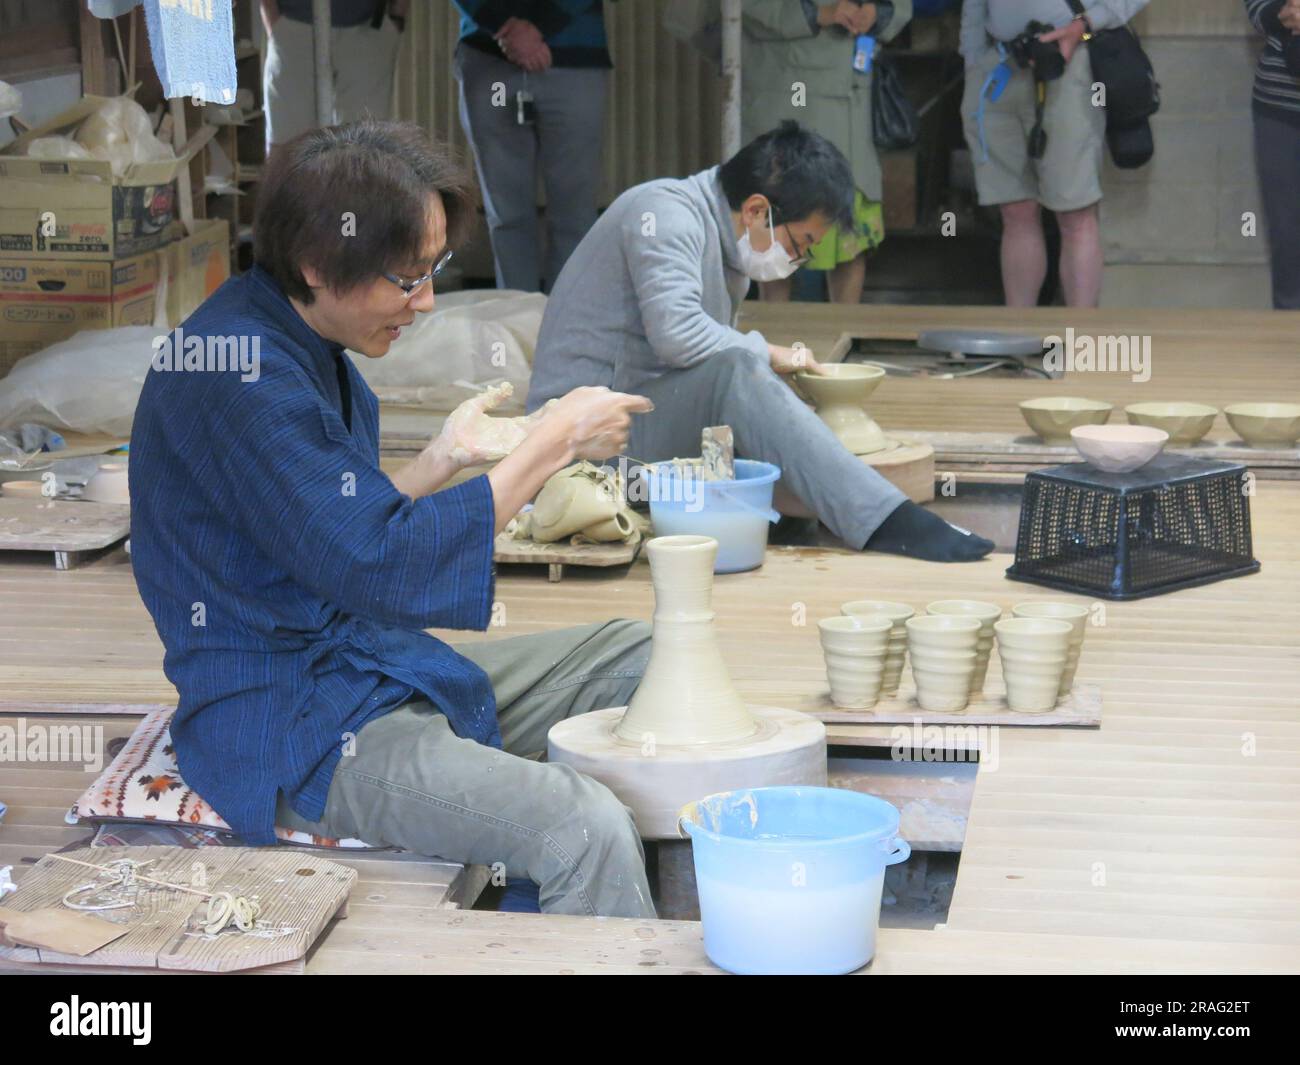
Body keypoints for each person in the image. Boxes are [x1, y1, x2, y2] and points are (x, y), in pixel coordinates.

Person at [129, 121, 658, 917]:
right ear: (316, 263)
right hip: (291, 717)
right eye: (407, 277)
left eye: (432, 269)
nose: (427, 299)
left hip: (362, 662)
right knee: (581, 828)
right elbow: (377, 562)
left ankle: (571, 904)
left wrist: (444, 456)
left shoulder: (293, 332)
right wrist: (547, 446)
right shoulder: (236, 374)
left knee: (643, 653)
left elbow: (331, 527)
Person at [526, 121, 994, 562]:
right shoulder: (664, 214)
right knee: (741, 370)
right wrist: (770, 354)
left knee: (755, 391)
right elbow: (678, 338)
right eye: (800, 243)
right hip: (582, 456)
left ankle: (820, 516)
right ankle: (888, 521)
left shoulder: (728, 249)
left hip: (637, 428)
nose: (799, 259)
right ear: (755, 210)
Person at [960, 0, 1149, 307]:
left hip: (1070, 59)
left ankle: (1080, 340)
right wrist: (973, 60)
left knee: (1076, 214)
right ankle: (1018, 336)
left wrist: (1085, 25)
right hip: (999, 65)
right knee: (1015, 210)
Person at [741, 1, 913, 305]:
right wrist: (820, 12)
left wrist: (877, 12)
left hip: (853, 94)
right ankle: (774, 336)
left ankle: (845, 334)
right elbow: (744, 7)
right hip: (784, 88)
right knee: (778, 225)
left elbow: (900, 7)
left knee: (850, 230)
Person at [452, 1, 612, 291]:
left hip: (573, 58)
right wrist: (504, 28)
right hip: (489, 57)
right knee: (507, 214)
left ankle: (566, 325)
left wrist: (536, 28)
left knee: (574, 214)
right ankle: (516, 321)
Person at [261, 0, 407, 150]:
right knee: (287, 145)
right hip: (295, 23)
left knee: (365, 147)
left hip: (368, 26)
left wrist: (397, 18)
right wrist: (275, 23)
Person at [1246, 0, 1300, 309]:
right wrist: (1287, 12)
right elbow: (1257, 11)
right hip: (1279, 110)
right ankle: (1288, 343)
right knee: (1287, 237)